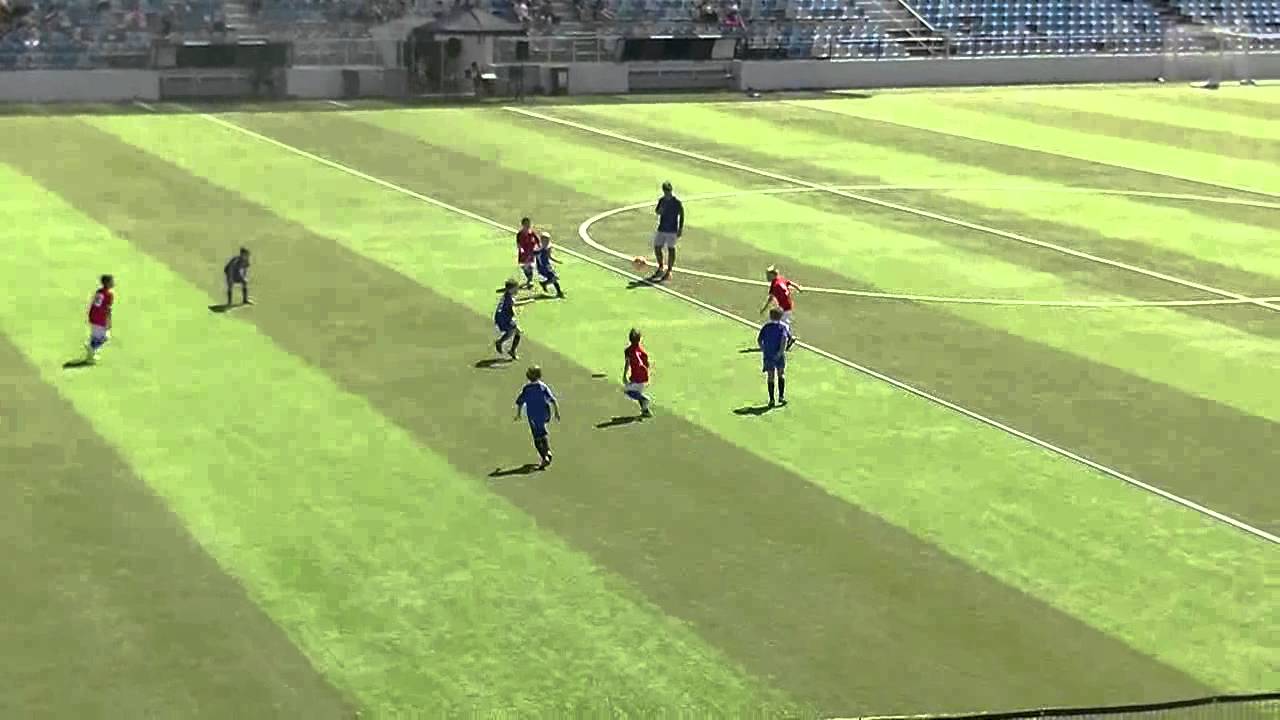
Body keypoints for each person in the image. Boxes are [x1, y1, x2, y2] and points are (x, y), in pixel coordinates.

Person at [514, 365, 560, 468]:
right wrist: (556, 412)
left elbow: (520, 402)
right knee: (542, 433)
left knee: (536, 438)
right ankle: (548, 451)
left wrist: (518, 414)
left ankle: (544, 457)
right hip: (544, 414)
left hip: (533, 416)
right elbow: (553, 400)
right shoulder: (543, 386)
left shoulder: (527, 389)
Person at [757, 307, 792, 406]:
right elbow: (785, 339)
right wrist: (781, 352)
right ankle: (781, 397)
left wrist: (764, 349)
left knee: (770, 376)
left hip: (768, 355)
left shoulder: (766, 327)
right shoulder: (783, 327)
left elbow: (759, 340)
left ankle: (771, 399)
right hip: (779, 355)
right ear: (781, 317)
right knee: (781, 374)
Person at [759, 265, 799, 350]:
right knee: (780, 322)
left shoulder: (775, 285)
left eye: (768, 275)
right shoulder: (780, 279)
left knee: (781, 323)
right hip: (786, 305)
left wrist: (764, 309)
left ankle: (789, 339)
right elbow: (789, 282)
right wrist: (798, 287)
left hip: (784, 307)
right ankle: (789, 338)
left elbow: (770, 299)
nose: (767, 277)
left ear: (773, 275)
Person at [651, 181, 683, 282]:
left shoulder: (676, 202)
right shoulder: (662, 201)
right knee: (657, 247)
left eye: (668, 191)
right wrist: (661, 209)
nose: (667, 193)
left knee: (671, 249)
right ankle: (661, 266)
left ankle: (669, 269)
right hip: (662, 228)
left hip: (672, 230)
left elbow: (681, 215)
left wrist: (680, 228)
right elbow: (657, 212)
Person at [494, 278, 530, 359]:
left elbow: (512, 305)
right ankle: (503, 345)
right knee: (513, 332)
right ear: (511, 289)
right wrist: (528, 301)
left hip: (501, 316)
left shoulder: (507, 295)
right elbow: (514, 305)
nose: (517, 289)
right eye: (516, 288)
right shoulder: (509, 298)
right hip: (504, 318)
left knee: (517, 332)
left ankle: (510, 349)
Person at [84, 274, 115, 364]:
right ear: (108, 283)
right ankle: (91, 347)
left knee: (95, 336)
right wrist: (109, 321)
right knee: (105, 337)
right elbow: (108, 309)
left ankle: (91, 356)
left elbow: (95, 304)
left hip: (93, 316)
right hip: (100, 318)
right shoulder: (109, 294)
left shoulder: (99, 291)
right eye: (112, 281)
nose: (113, 283)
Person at [622, 328, 652, 417]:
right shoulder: (643, 352)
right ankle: (645, 411)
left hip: (637, 376)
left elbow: (627, 363)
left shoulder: (628, 351)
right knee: (637, 391)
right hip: (643, 376)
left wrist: (624, 375)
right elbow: (647, 364)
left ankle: (645, 399)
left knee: (627, 391)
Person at [535, 231, 564, 298]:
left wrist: (557, 261)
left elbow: (549, 256)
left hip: (547, 266)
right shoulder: (538, 248)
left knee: (554, 278)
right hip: (542, 268)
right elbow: (536, 257)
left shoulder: (548, 247)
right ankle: (559, 293)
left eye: (548, 240)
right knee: (554, 278)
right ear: (542, 240)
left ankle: (544, 284)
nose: (547, 241)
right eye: (545, 240)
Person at [516, 217, 539, 289]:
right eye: (526, 224)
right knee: (525, 267)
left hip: (530, 252)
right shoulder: (520, 234)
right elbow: (518, 243)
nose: (528, 225)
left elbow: (537, 240)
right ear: (523, 224)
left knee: (530, 266)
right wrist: (521, 250)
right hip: (523, 253)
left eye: (529, 223)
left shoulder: (532, 232)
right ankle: (529, 279)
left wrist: (538, 248)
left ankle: (530, 280)